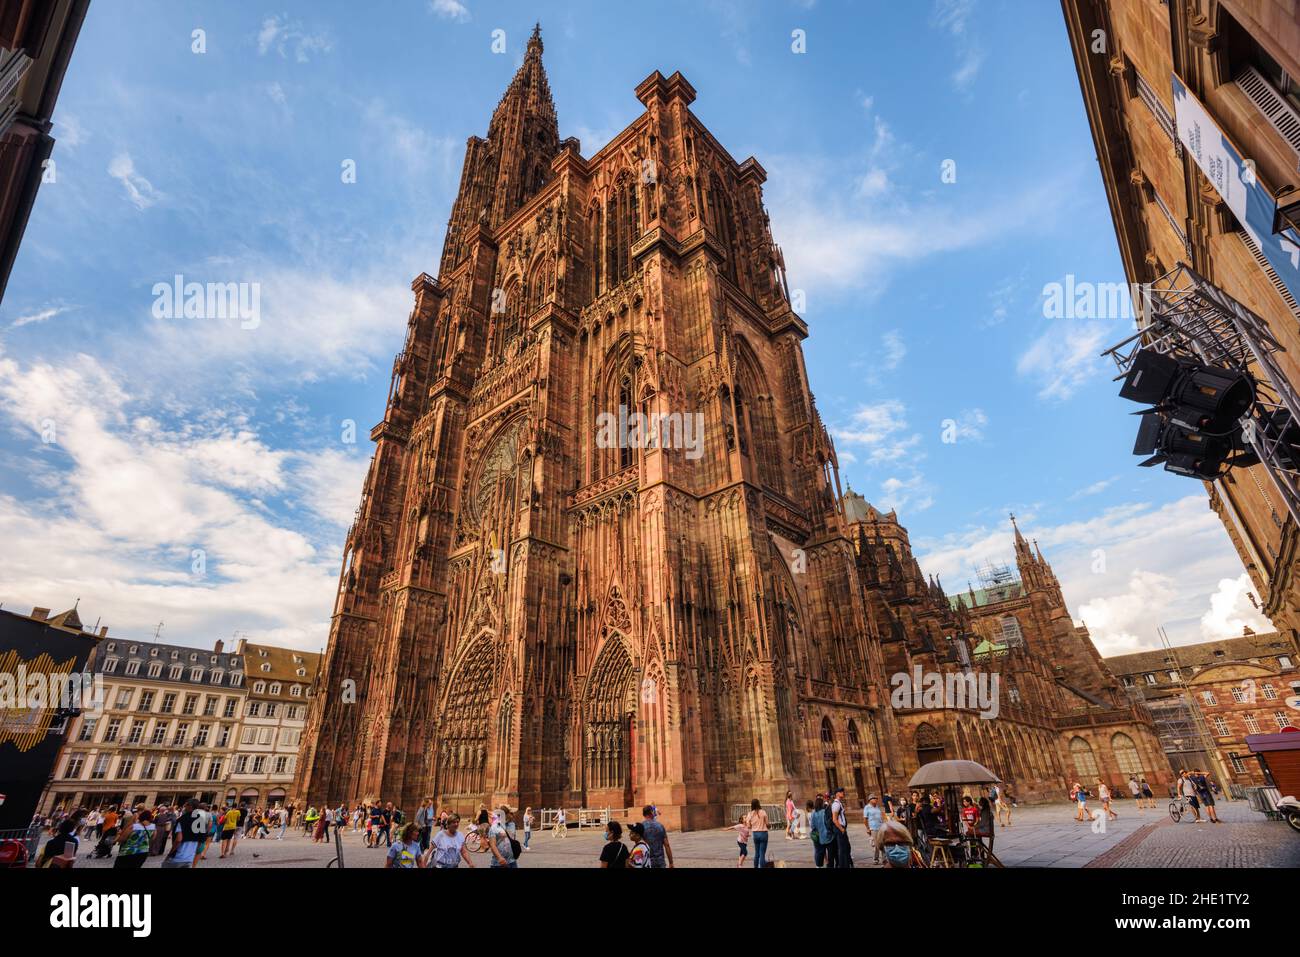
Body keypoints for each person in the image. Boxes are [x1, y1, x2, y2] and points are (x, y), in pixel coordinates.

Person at [830, 786, 852, 867]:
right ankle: (843, 865)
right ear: (837, 794)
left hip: (841, 828)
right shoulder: (836, 804)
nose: (843, 793)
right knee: (842, 849)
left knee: (846, 848)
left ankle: (846, 864)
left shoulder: (839, 803)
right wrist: (841, 829)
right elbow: (834, 819)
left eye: (843, 791)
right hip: (839, 829)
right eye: (841, 792)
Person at [810, 794, 834, 868]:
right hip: (828, 836)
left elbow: (812, 826)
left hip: (819, 837)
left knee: (819, 852)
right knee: (830, 854)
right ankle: (830, 865)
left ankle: (819, 866)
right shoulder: (825, 811)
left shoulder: (813, 813)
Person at [746, 799, 769, 868]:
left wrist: (753, 825)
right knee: (762, 853)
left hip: (755, 834)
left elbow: (748, 826)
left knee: (757, 853)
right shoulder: (763, 812)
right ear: (758, 804)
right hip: (763, 833)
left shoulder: (750, 814)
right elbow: (767, 824)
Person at [863, 795, 885, 864]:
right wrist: (868, 828)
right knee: (876, 845)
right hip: (873, 828)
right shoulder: (867, 807)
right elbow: (865, 819)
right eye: (874, 798)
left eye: (876, 798)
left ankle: (884, 859)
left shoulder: (877, 807)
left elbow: (880, 817)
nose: (876, 799)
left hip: (880, 827)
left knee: (883, 843)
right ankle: (876, 859)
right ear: (870, 800)